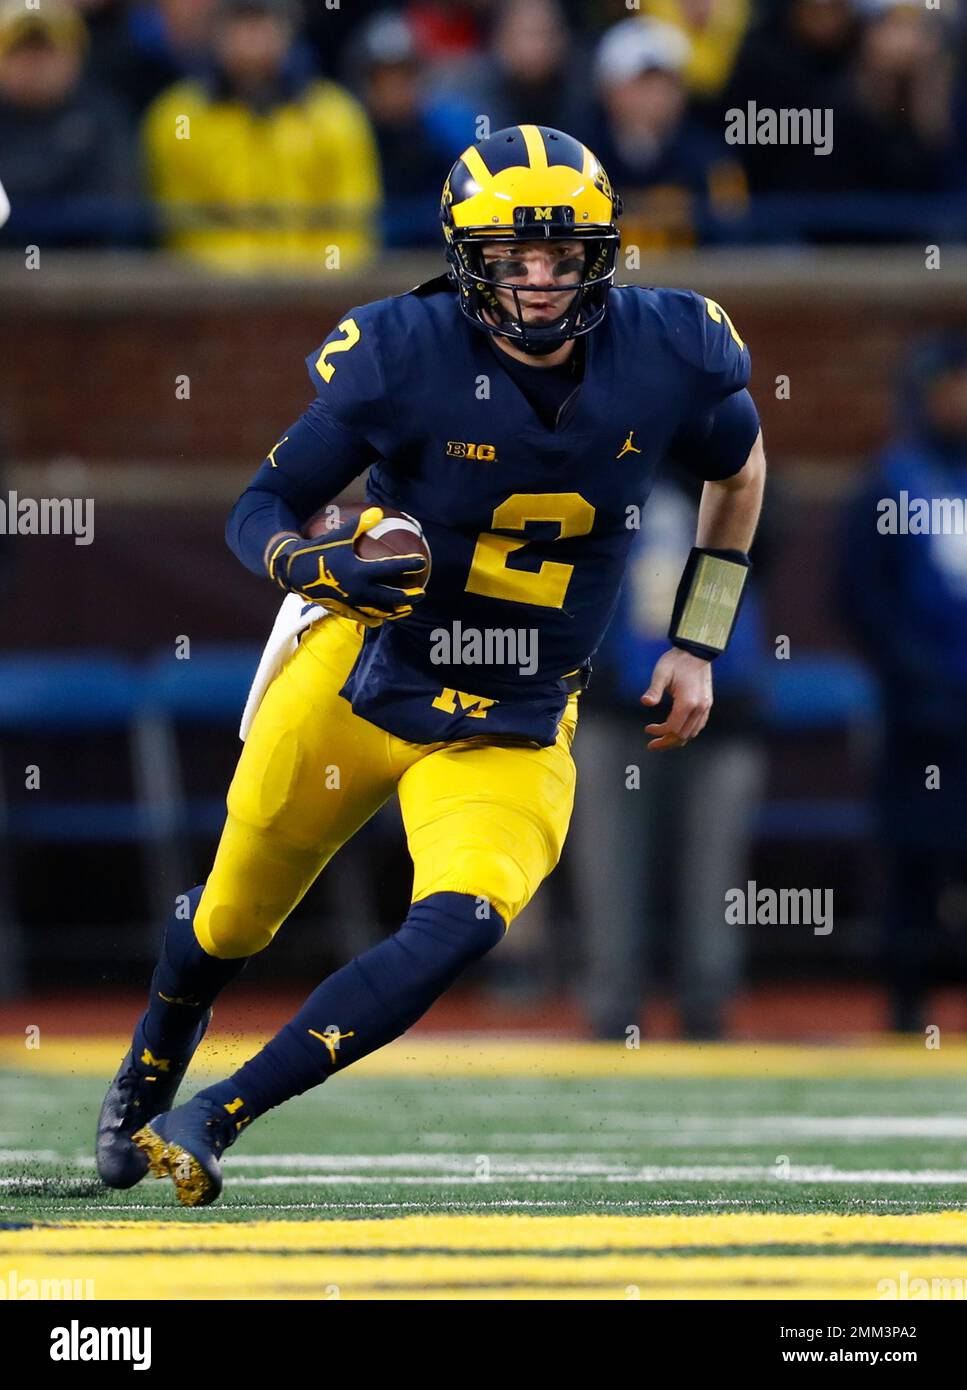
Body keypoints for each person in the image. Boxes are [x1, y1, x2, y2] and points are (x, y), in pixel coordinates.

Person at [96, 123, 766, 1206]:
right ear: (466, 256)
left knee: (461, 921)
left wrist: (699, 638)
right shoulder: (401, 352)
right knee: (229, 921)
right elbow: (256, 508)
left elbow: (741, 472)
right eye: (512, 256)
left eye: (564, 253)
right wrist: (316, 563)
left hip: (512, 711)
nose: (542, 281)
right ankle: (156, 1053)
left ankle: (218, 1113)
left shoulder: (674, 350)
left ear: (605, 250)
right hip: (363, 674)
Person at [838, 335, 967, 1032]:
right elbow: (861, 597)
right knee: (915, 858)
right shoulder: (891, 482)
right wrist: (917, 679)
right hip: (921, 715)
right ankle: (907, 1005)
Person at [141, 0, 381, 272]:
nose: (250, 40)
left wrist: (310, 285)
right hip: (212, 297)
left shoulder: (336, 116)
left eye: (262, 22)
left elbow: (353, 227)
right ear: (215, 32)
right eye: (239, 22)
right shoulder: (176, 117)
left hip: (317, 298)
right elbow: (182, 229)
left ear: (288, 31)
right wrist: (246, 286)